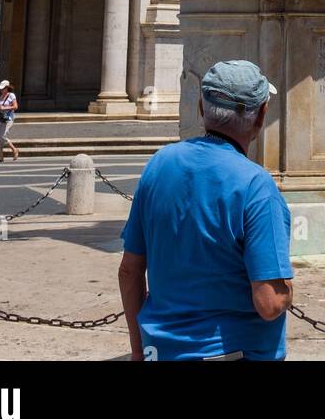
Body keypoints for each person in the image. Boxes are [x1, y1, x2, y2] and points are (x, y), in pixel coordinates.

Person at [118, 60, 294, 361]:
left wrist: (138, 350)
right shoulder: (256, 186)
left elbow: (129, 271)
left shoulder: (159, 164)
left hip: (161, 351)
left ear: (201, 107)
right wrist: (286, 289)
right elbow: (269, 303)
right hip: (236, 352)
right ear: (261, 115)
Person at [0, 80, 19, 162]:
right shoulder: (1, 96)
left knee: (3, 136)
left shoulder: (11, 95)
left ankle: (14, 150)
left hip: (9, 118)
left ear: (7, 88)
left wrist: (5, 108)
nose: (1, 90)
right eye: (1, 89)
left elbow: (15, 106)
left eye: (3, 88)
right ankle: (0, 157)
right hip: (1, 118)